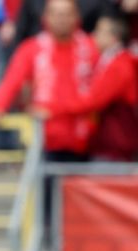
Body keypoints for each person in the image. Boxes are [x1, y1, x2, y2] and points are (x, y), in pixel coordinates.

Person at [0, 0, 98, 162]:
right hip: (46, 137)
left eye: (67, 14)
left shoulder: (91, 48)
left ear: (77, 17)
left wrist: (56, 110)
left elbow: (100, 91)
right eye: (57, 14)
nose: (62, 19)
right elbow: (12, 81)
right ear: (45, 18)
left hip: (87, 138)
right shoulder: (32, 48)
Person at [39, 13, 138, 161]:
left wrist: (53, 108)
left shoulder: (119, 66)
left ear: (113, 37)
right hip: (110, 146)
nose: (93, 35)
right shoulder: (110, 62)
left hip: (115, 149)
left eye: (99, 31)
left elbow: (91, 101)